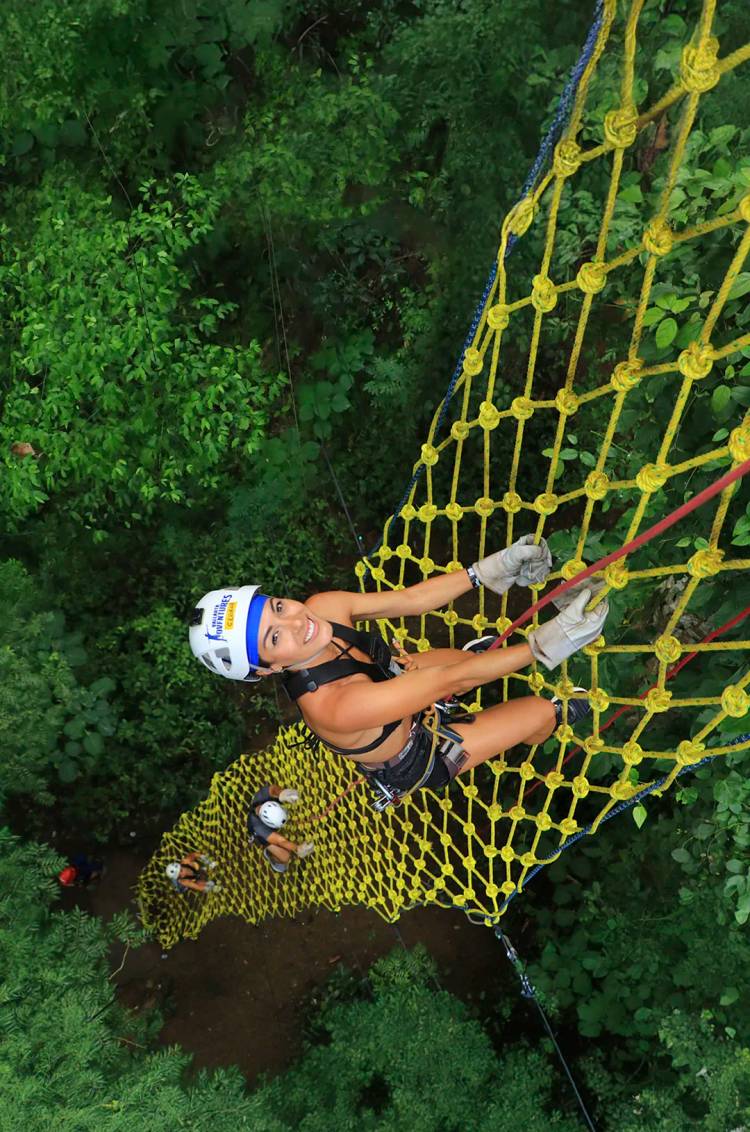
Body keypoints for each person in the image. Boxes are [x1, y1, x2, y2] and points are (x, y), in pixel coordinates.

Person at [188, 536, 609, 807]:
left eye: (278, 608)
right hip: (422, 749)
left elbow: (410, 600)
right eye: (274, 639)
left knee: (470, 667)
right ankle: (554, 715)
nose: (296, 623)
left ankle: (478, 663)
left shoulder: (323, 608)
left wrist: (487, 571)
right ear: (270, 669)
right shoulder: (333, 707)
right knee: (535, 713)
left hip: (401, 681)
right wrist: (546, 644)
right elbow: (447, 683)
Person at [247, 783, 314, 873]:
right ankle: (269, 852)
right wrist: (297, 848)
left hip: (265, 822)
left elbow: (272, 789)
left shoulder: (260, 797)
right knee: (285, 857)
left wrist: (281, 793)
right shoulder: (260, 829)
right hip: (261, 837)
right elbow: (281, 841)